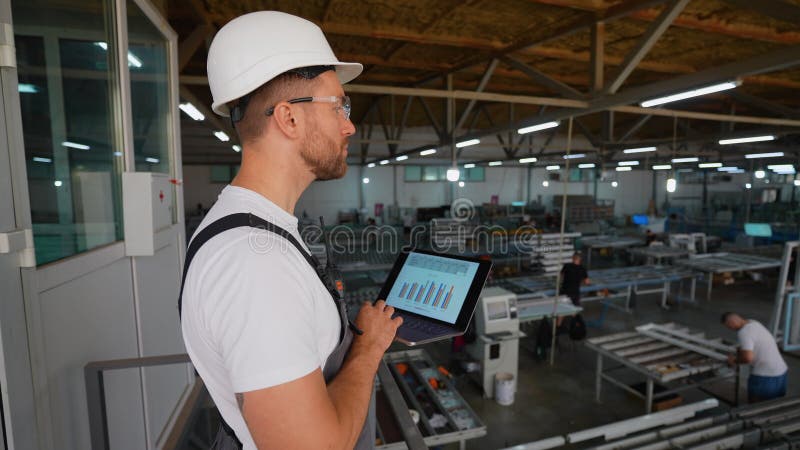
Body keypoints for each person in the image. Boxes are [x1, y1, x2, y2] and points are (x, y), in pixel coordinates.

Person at [180, 11, 402, 449]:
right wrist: (368, 349)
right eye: (339, 106)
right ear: (289, 118)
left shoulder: (255, 230)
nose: (349, 125)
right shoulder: (254, 263)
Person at [721, 312, 788, 403]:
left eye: (729, 326)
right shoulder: (753, 322)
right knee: (777, 405)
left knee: (756, 407)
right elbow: (754, 342)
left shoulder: (744, 332)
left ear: (731, 322)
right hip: (781, 371)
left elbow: (748, 358)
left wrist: (734, 360)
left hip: (765, 376)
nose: (731, 329)